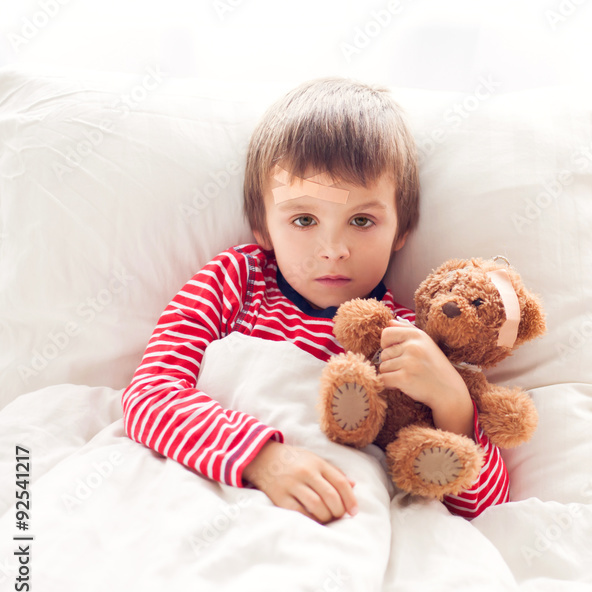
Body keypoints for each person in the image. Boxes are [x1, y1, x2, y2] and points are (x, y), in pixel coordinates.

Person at [122, 77, 509, 523]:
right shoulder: (236, 280)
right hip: (218, 496)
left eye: (361, 220)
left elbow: (487, 510)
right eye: (304, 219)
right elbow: (150, 395)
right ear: (263, 226)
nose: (332, 248)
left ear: (401, 230)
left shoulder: (408, 337)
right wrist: (264, 459)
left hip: (343, 520)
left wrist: (454, 402)